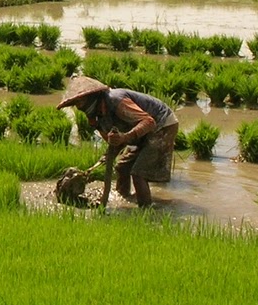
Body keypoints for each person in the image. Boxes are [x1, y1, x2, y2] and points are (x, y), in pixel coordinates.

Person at [58, 75, 179, 207]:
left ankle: (146, 211)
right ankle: (124, 200)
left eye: (81, 100)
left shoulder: (116, 100)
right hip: (139, 131)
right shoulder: (94, 116)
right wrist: (108, 155)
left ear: (92, 96)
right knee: (122, 167)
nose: (79, 105)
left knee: (138, 173)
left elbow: (149, 122)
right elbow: (114, 143)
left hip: (162, 125)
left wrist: (125, 137)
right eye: (76, 103)